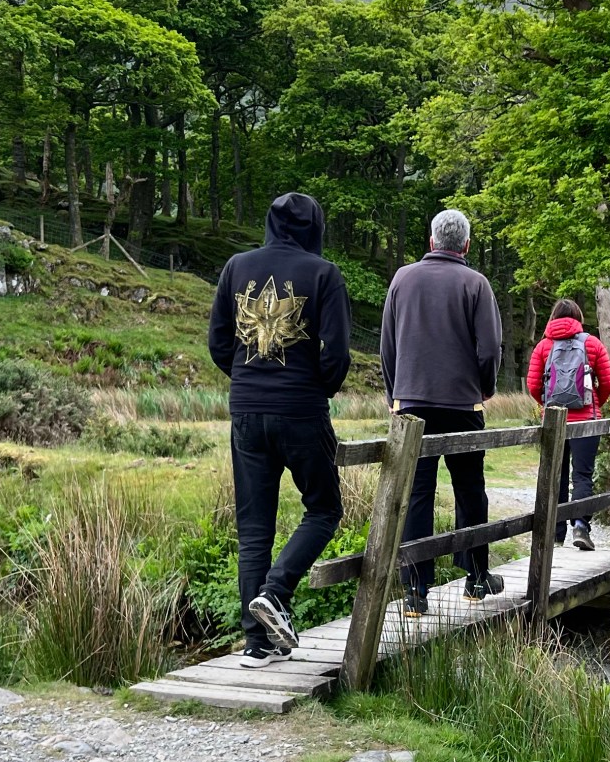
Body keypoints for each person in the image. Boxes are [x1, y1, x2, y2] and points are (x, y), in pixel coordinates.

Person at [208, 192, 352, 666]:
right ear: (315, 226)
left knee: (253, 531)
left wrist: (249, 380)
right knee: (325, 507)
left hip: (246, 409)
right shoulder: (323, 273)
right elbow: (336, 354)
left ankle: (257, 644)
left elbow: (219, 342)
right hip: (301, 409)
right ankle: (276, 591)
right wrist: (317, 388)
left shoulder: (235, 267)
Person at [379, 207, 504, 615]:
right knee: (470, 490)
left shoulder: (402, 278)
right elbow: (489, 349)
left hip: (412, 402)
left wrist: (395, 394)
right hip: (462, 402)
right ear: (465, 245)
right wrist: (483, 389)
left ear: (431, 242)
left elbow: (387, 346)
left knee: (418, 494)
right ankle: (475, 577)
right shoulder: (476, 284)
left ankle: (416, 591)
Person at [525, 297, 610, 551]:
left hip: (554, 422)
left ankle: (555, 535)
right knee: (582, 475)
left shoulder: (544, 346)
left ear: (553, 317)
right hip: (587, 420)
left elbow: (533, 385)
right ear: (578, 317)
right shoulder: (592, 343)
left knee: (556, 476)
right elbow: (608, 382)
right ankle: (581, 526)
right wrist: (596, 403)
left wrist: (547, 406)